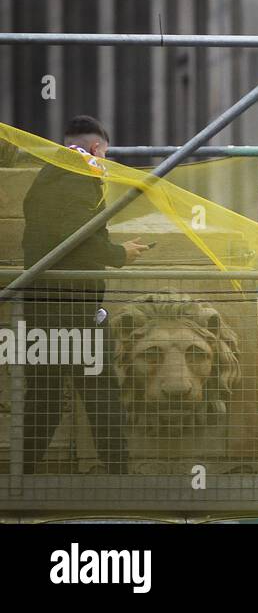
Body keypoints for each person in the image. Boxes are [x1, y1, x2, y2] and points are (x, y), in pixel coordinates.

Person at [20, 115, 147, 474]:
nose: (105, 163)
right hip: (72, 307)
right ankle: (118, 474)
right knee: (100, 395)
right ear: (95, 147)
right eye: (105, 154)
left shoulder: (50, 175)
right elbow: (74, 239)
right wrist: (120, 254)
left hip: (47, 306)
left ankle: (22, 474)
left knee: (44, 395)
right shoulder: (78, 178)